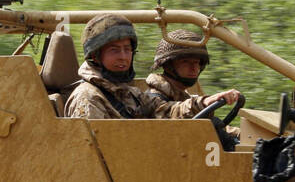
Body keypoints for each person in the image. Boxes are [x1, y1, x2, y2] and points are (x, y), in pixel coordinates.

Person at [64, 15, 242, 121]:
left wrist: (204, 103)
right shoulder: (88, 98)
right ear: (95, 56)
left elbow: (166, 111)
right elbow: (93, 154)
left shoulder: (129, 93)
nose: (123, 57)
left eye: (127, 49)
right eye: (114, 50)